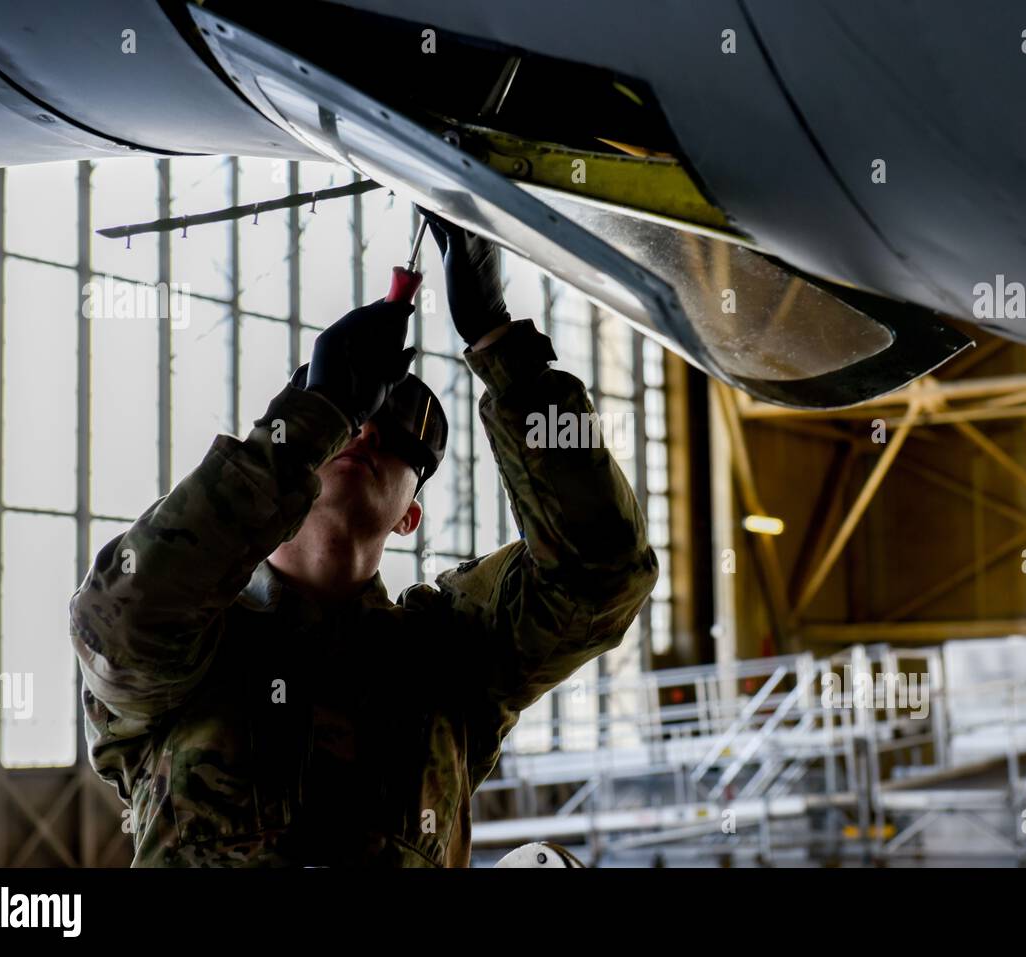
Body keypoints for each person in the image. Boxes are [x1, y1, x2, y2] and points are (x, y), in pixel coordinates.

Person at [69, 214, 657, 867]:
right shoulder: (190, 644)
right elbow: (117, 620)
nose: (368, 432)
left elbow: (604, 571)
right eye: (351, 416)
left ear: (410, 516)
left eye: (405, 432)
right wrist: (316, 410)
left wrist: (500, 341)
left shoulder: (451, 657)